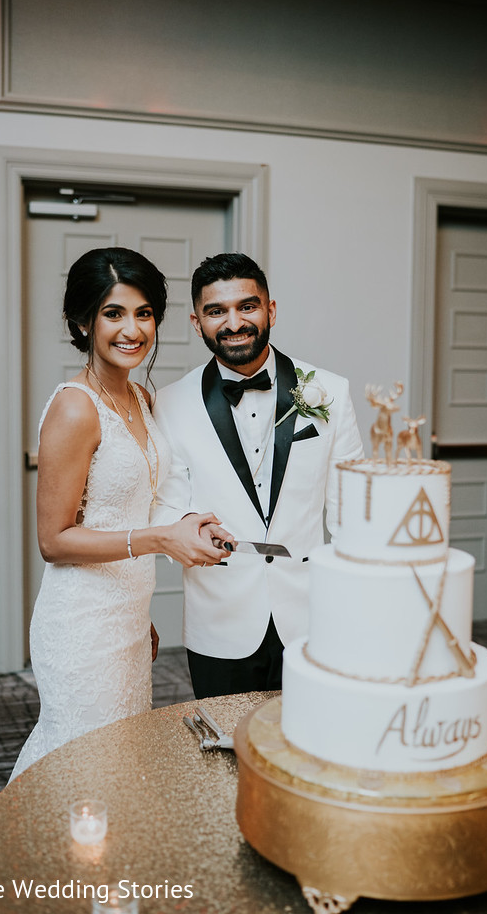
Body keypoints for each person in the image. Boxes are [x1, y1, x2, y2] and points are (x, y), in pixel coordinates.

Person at [9, 246, 232, 779]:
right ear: (81, 322)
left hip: (128, 618)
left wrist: (185, 529)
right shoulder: (74, 407)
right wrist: (161, 540)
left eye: (144, 313)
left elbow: (134, 505)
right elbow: (54, 540)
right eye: (114, 313)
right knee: (84, 765)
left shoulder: (140, 397)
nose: (132, 329)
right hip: (81, 623)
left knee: (121, 765)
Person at [152, 252, 364, 699]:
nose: (234, 323)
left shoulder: (330, 391)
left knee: (308, 746)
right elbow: (167, 507)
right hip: (219, 617)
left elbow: (352, 512)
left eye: (247, 306)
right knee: (223, 754)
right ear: (197, 323)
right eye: (216, 311)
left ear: (270, 310)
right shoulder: (169, 403)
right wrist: (187, 535)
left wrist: (352, 607)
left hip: (311, 619)